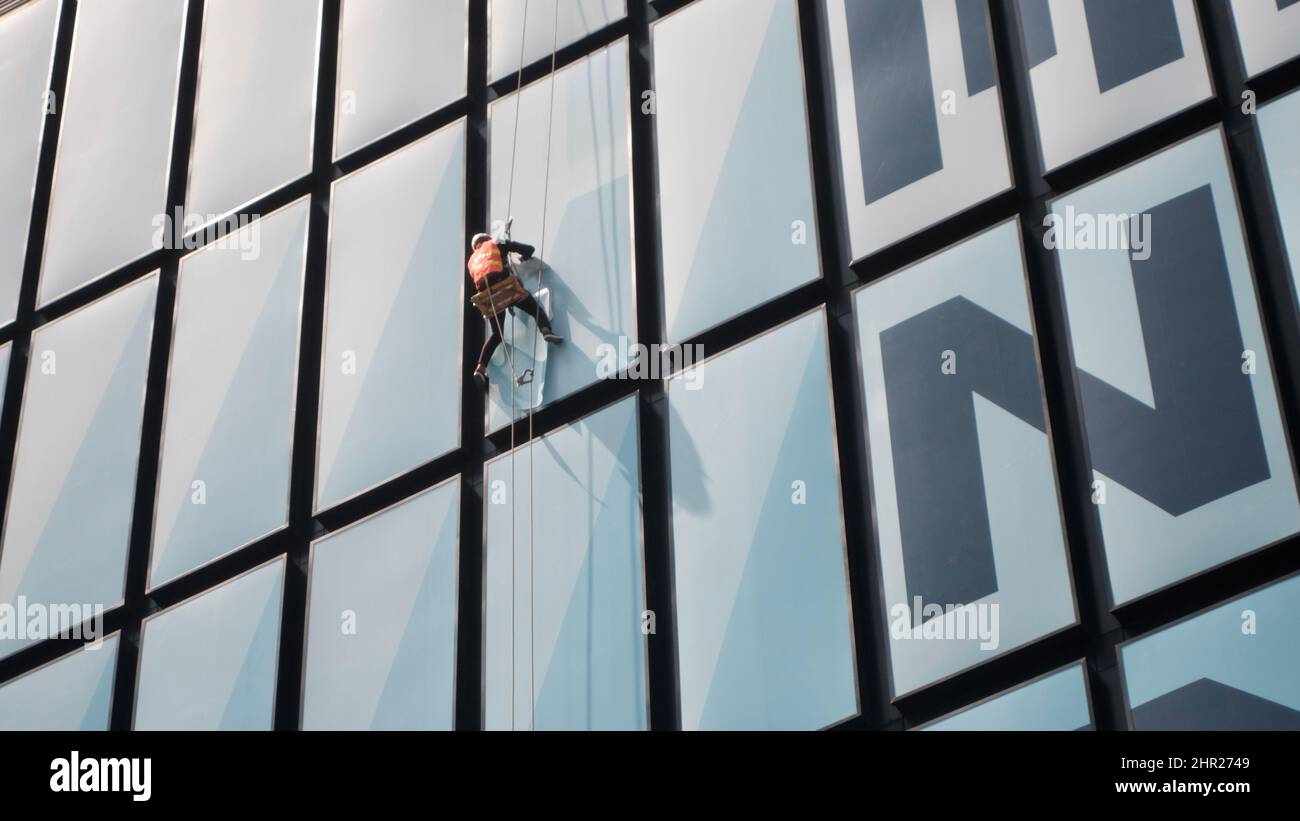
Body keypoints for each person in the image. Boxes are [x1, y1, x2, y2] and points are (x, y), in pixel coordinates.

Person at [468, 232, 562, 391]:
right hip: (505, 286)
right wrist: (524, 257)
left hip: (488, 297)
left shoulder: (472, 260)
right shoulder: (496, 244)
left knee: (497, 335)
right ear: (487, 239)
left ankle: (481, 368)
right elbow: (529, 249)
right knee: (534, 308)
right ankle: (546, 331)